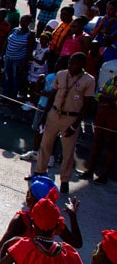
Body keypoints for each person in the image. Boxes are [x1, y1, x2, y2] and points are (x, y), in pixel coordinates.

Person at [32, 52, 96, 194]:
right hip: (55, 114)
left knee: (68, 151)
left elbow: (86, 105)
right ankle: (39, 172)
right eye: (70, 63)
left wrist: (75, 125)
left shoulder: (89, 80)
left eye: (74, 64)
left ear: (82, 65)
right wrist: (44, 116)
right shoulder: (61, 74)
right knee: (45, 145)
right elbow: (52, 95)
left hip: (71, 118)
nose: (70, 66)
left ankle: (65, 180)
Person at [80, 71, 117, 184]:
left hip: (114, 116)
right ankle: (90, 170)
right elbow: (97, 95)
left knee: (112, 146)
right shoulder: (112, 79)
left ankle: (104, 175)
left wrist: (108, 99)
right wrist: (109, 99)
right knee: (97, 143)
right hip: (102, 113)